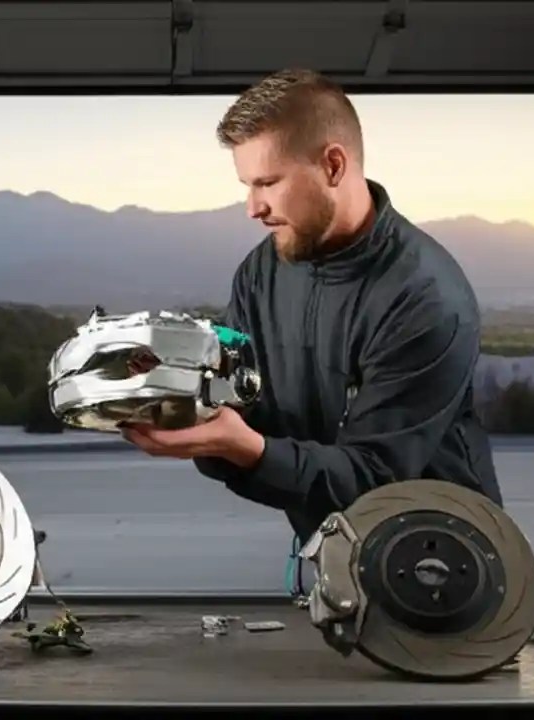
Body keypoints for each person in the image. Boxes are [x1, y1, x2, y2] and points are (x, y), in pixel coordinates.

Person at [120, 69, 501, 544]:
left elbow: (374, 477)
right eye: (247, 184)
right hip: (341, 557)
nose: (252, 208)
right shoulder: (261, 272)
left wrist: (245, 449)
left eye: (268, 182)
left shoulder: (425, 297)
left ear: (334, 166)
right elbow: (241, 401)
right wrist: (175, 397)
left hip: (448, 562)